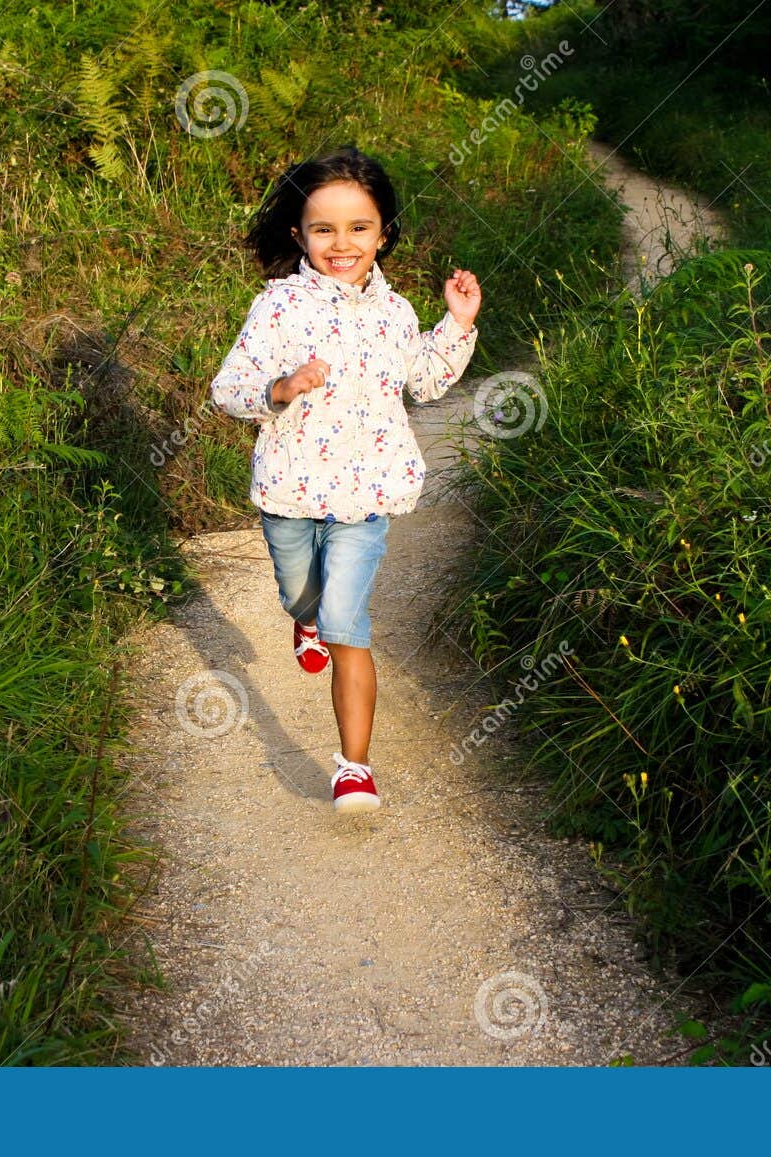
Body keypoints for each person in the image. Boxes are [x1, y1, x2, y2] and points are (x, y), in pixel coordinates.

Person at [209, 144, 482, 812]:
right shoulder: (277, 308)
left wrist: (459, 323)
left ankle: (353, 767)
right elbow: (228, 387)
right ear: (299, 234)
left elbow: (423, 380)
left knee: (345, 619)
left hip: (365, 498)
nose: (342, 243)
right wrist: (280, 386)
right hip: (291, 493)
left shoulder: (394, 314)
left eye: (359, 227)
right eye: (324, 228)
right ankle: (303, 619)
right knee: (303, 597)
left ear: (384, 233)